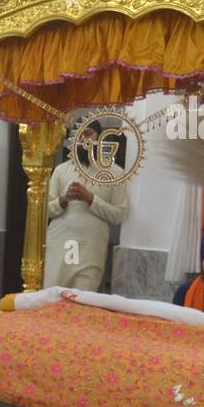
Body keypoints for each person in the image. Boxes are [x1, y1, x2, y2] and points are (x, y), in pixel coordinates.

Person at [44, 121, 129, 290]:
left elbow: (119, 214)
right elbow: (43, 211)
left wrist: (91, 199)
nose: (83, 138)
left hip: (91, 249)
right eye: (78, 135)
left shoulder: (115, 173)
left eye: (88, 133)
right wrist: (63, 200)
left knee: (81, 305)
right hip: (60, 245)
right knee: (52, 299)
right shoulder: (61, 170)